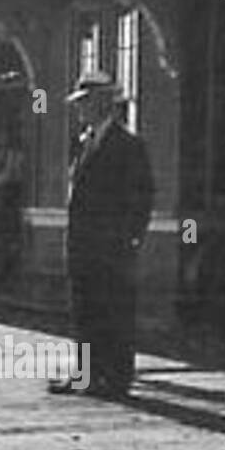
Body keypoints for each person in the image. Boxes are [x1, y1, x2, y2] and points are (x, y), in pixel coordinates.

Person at [49, 70, 154, 398]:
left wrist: (129, 239)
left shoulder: (128, 145)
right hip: (84, 247)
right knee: (85, 312)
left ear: (101, 103)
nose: (79, 110)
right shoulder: (84, 143)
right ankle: (86, 376)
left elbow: (143, 196)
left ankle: (116, 380)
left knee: (115, 313)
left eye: (84, 103)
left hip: (112, 249)